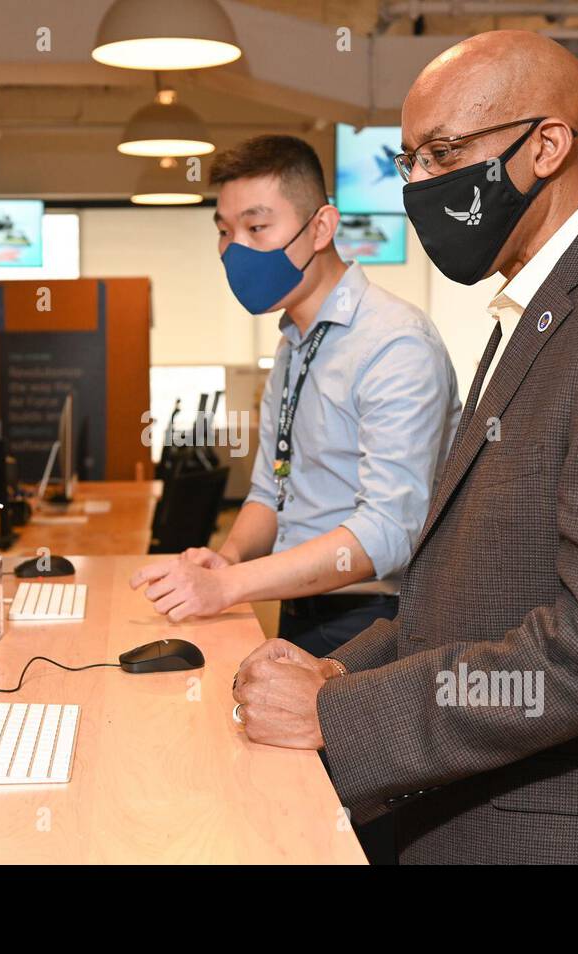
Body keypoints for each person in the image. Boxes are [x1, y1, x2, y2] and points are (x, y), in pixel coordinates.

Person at [231, 30, 578, 864]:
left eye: (444, 153)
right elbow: (477, 590)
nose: (418, 187)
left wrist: (341, 716)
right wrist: (345, 671)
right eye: (410, 160)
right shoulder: (543, 306)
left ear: (548, 144)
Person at [130, 135, 460, 655]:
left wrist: (231, 587)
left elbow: (388, 531)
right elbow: (270, 490)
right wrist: (231, 557)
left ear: (321, 228)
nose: (235, 249)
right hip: (298, 604)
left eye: (257, 227)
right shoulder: (294, 342)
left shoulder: (394, 342)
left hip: (375, 622)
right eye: (224, 231)